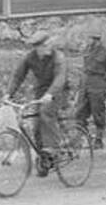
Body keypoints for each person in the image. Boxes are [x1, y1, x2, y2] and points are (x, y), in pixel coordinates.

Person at [8, 31, 67, 176]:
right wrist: (8, 93)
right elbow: (18, 75)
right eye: (40, 46)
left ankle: (53, 148)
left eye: (46, 45)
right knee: (36, 125)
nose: (44, 49)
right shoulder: (30, 57)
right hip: (41, 91)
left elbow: (60, 78)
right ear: (36, 47)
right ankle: (44, 160)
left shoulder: (58, 57)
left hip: (59, 91)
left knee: (46, 112)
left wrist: (50, 94)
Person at [74, 34, 106, 149]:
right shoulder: (87, 51)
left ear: (96, 40)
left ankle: (98, 140)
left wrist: (104, 83)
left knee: (97, 113)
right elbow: (85, 68)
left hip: (97, 85)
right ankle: (80, 139)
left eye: (90, 39)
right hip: (85, 84)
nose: (88, 41)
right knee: (80, 112)